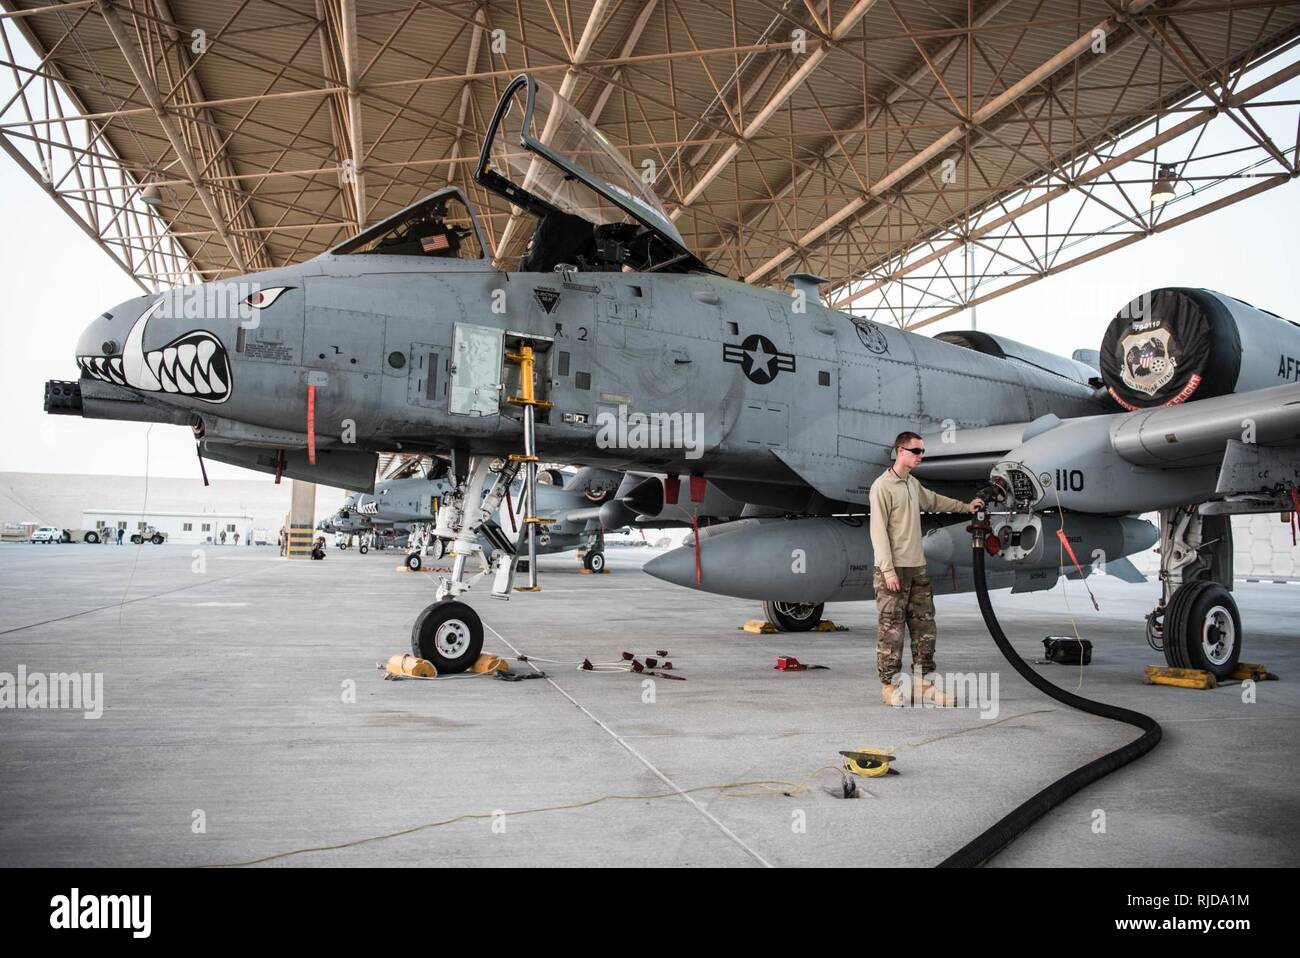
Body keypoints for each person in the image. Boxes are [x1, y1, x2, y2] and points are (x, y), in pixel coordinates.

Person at [869, 431, 984, 707]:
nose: (921, 456)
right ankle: (889, 687)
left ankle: (924, 685)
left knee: (925, 629)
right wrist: (887, 571)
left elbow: (933, 500)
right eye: (916, 451)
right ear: (900, 451)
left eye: (922, 452)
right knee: (891, 631)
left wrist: (966, 507)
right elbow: (878, 532)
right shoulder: (882, 487)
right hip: (893, 571)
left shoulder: (911, 484)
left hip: (917, 569)